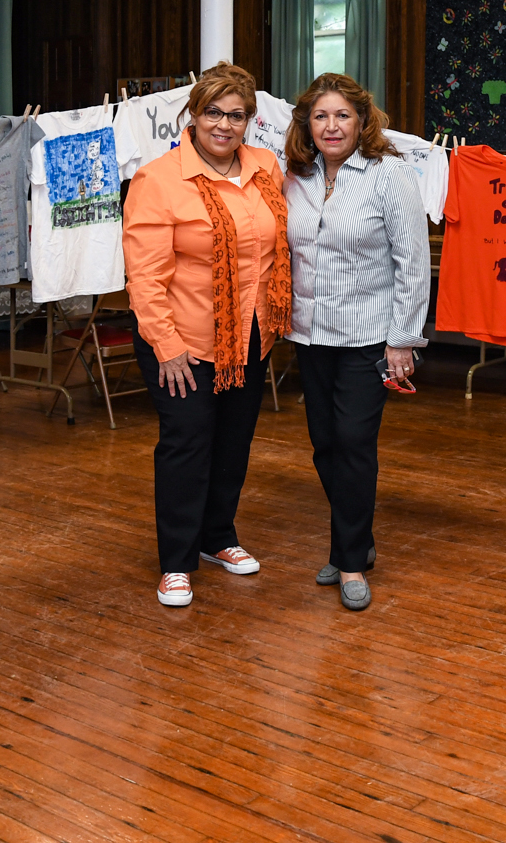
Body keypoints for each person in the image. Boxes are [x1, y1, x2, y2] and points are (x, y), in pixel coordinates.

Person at [124, 63, 292, 607]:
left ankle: (217, 537)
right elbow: (145, 275)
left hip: (249, 335)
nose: (223, 124)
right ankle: (176, 560)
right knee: (187, 443)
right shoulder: (159, 179)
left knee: (234, 442)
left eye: (236, 115)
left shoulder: (266, 167)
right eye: (213, 112)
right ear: (193, 115)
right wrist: (166, 347)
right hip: (182, 340)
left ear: (250, 121)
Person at [281, 73, 430, 611]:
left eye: (342, 115)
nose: (331, 125)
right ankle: (358, 539)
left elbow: (412, 263)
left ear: (363, 120)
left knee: (353, 443)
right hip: (310, 335)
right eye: (321, 116)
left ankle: (348, 562)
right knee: (324, 445)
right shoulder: (294, 176)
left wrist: (403, 340)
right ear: (307, 124)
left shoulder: (389, 175)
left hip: (370, 337)